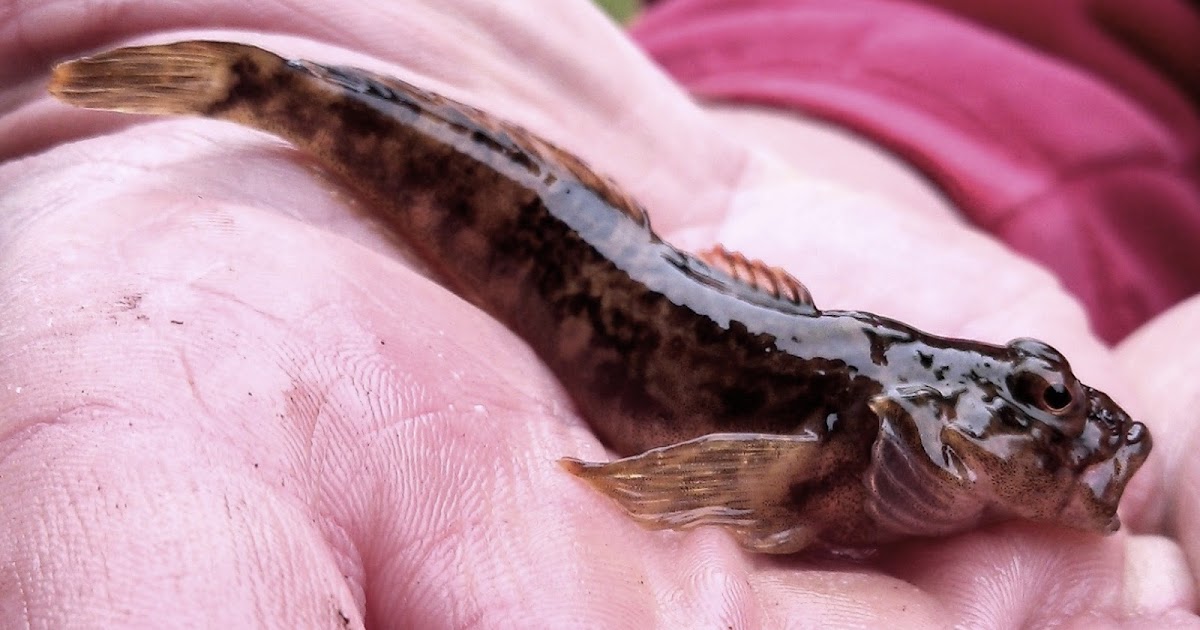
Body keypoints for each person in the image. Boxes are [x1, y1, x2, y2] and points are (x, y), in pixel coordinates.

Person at [0, 1, 1193, 626]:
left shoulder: (879, 425)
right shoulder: (842, 421)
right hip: (578, 236)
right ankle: (259, 83)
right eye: (1041, 402)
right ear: (922, 411)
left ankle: (264, 86)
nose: (1083, 435)